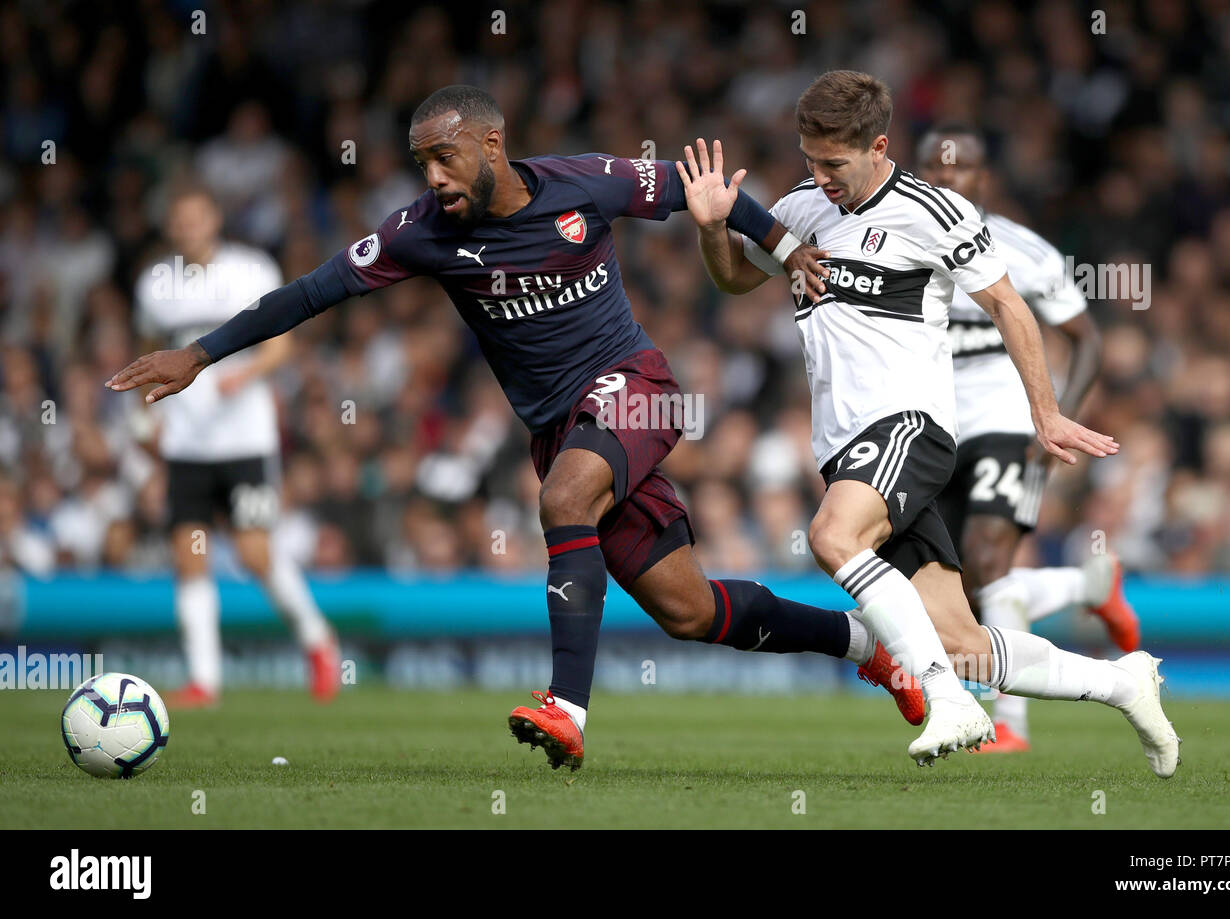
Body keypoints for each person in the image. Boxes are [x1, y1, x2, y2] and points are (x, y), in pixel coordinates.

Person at [108, 85, 927, 772]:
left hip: (639, 389)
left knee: (566, 494)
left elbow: (700, 189)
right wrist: (201, 353)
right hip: (561, 425)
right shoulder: (419, 233)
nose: (433, 177)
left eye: (446, 156)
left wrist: (784, 248)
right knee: (689, 611)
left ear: (492, 143)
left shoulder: (587, 184)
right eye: (421, 161)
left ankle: (566, 707)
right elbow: (313, 292)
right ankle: (867, 646)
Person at [684, 70, 1179, 776]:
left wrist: (1045, 412)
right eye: (808, 160)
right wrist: (710, 229)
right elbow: (733, 278)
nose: (819, 177)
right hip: (844, 443)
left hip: (908, 425)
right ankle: (1123, 681)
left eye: (834, 163)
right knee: (962, 638)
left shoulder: (933, 211)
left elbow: (1012, 307)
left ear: (878, 144)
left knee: (831, 534)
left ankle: (948, 701)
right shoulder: (799, 209)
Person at [917, 125, 1140, 752]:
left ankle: (1009, 724)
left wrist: (1056, 414)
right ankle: (1088, 586)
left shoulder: (1024, 251)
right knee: (959, 587)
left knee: (989, 560)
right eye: (934, 166)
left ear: (984, 179)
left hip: (1009, 422)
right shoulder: (903, 242)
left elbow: (1088, 339)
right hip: (932, 429)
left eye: (959, 168)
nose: (945, 177)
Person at [133, 182, 339, 708]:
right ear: (170, 226)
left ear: (214, 219)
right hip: (185, 443)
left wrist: (242, 378)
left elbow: (280, 346)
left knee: (254, 553)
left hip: (245, 438)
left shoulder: (251, 271)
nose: (188, 228)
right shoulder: (155, 285)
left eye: (196, 217)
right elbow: (147, 355)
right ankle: (205, 680)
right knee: (189, 557)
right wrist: (145, 422)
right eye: (179, 220)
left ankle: (318, 641)